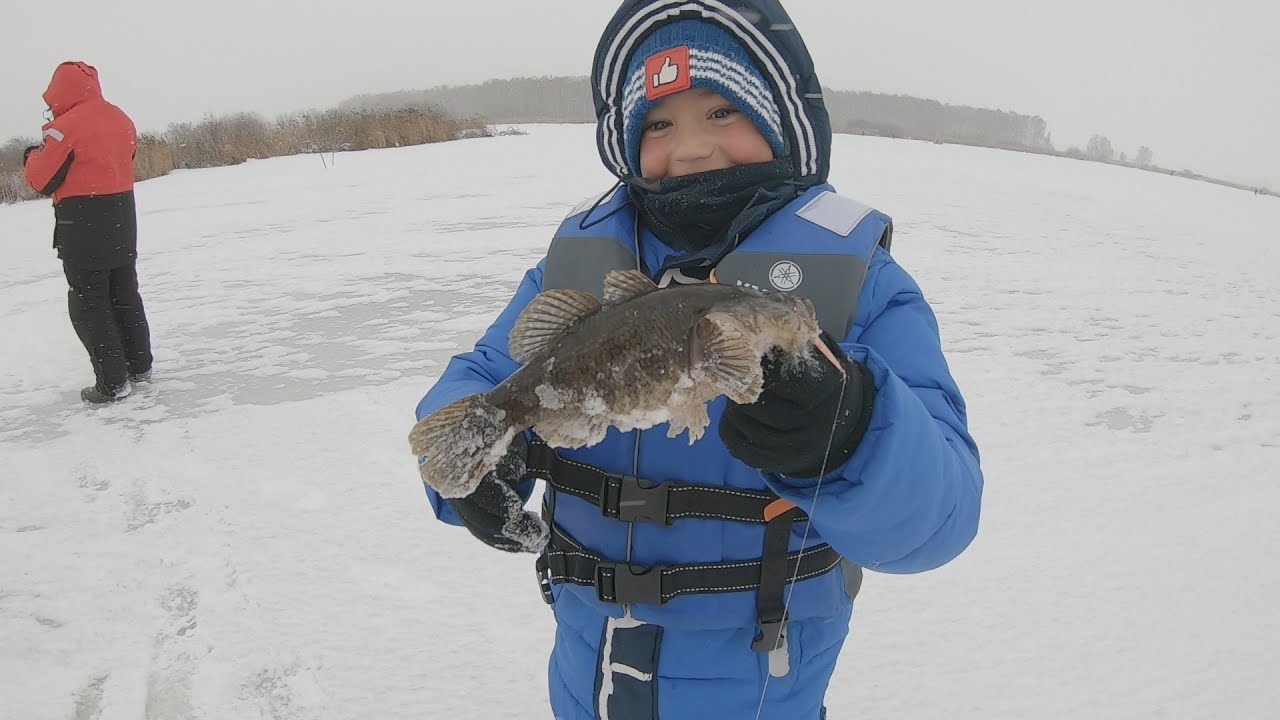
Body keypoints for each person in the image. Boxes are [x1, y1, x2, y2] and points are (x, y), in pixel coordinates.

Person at [413, 1, 983, 717]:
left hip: (763, 684)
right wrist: (471, 465)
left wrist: (854, 432)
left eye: (721, 112)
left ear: (780, 123)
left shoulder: (862, 284)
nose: (690, 149)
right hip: (588, 678)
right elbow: (488, 375)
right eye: (658, 125)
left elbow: (944, 517)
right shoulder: (575, 263)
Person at [23, 61, 153, 404]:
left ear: (59, 93)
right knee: (124, 292)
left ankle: (112, 383)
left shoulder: (63, 128)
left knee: (89, 302)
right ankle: (140, 366)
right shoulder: (121, 118)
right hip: (122, 217)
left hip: (83, 223)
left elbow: (41, 179)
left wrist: (30, 156)